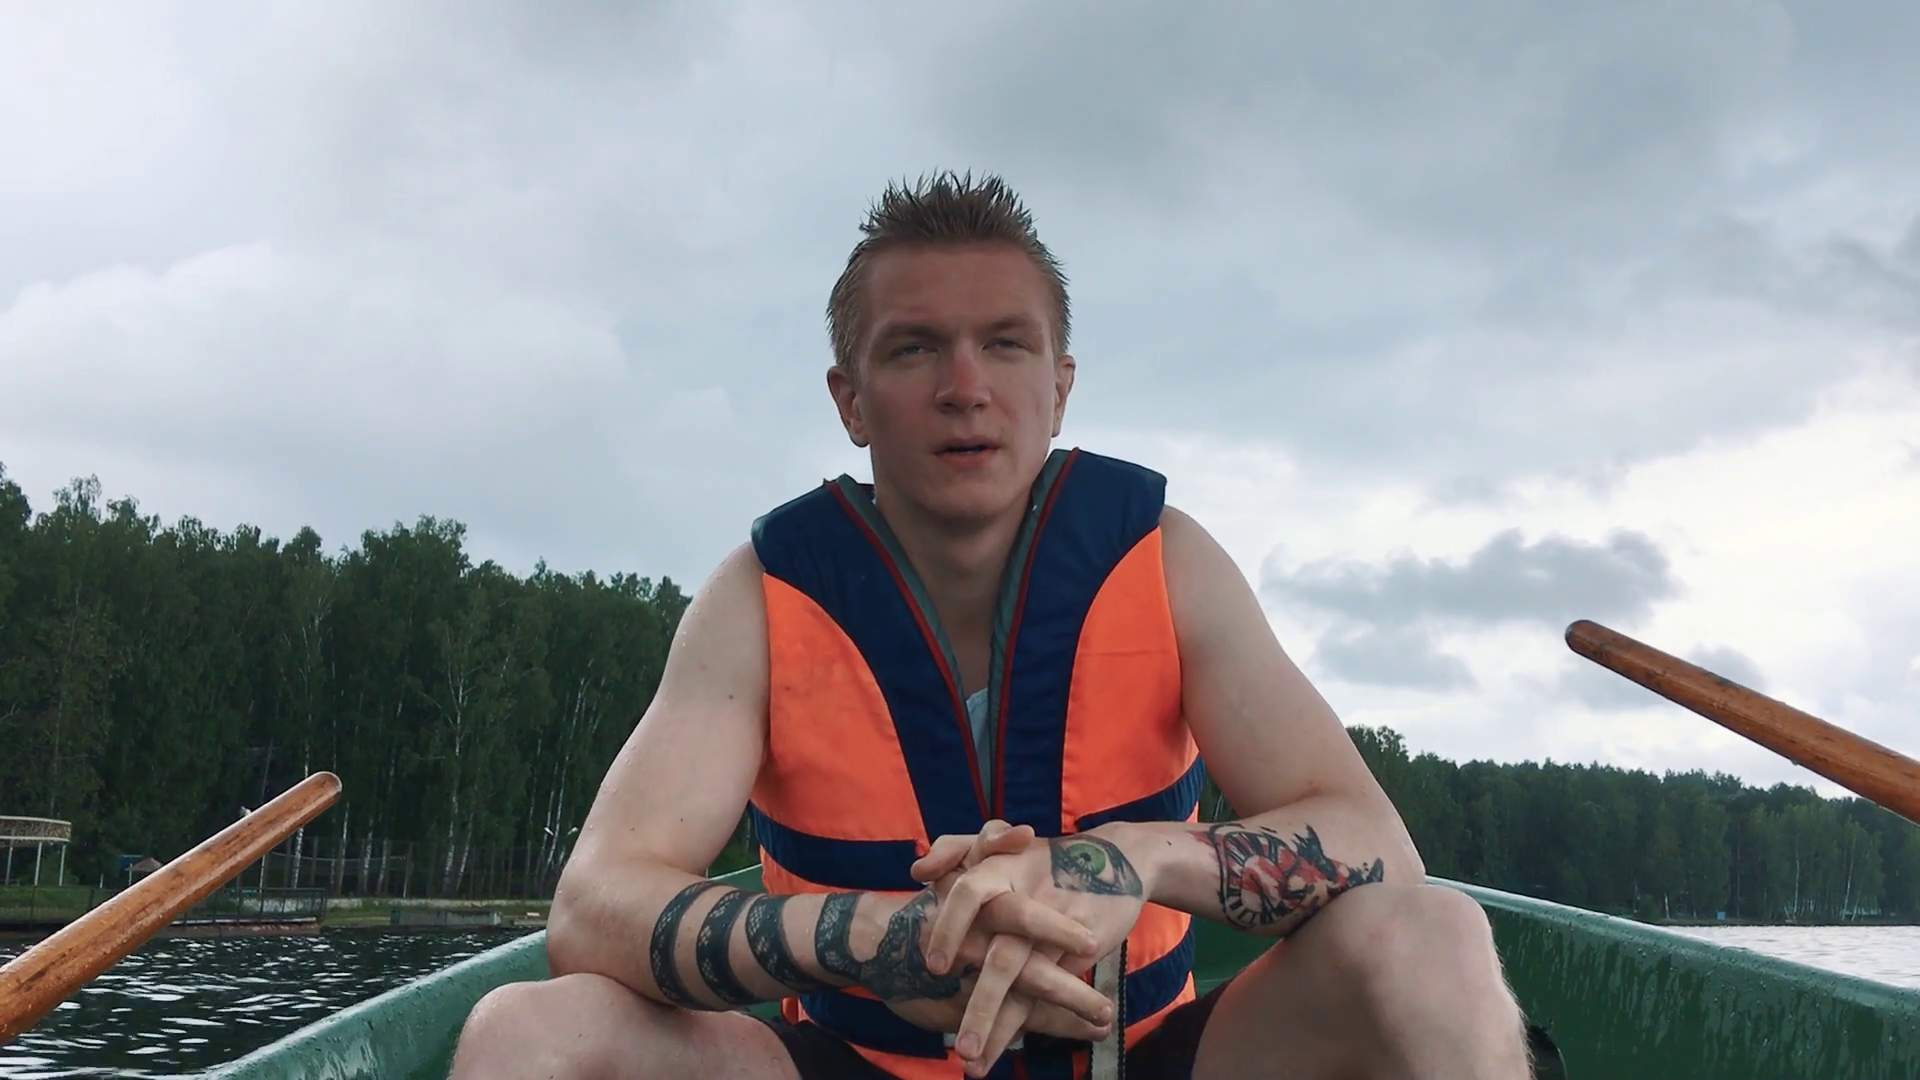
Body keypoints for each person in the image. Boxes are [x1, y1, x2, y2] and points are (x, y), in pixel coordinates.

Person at [448, 172, 1533, 1080]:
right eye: (915, 349)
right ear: (851, 399)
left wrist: (1117, 865)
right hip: (856, 1064)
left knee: (1430, 937)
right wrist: (875, 940)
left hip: (1139, 1057)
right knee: (529, 1033)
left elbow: (1379, 848)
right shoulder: (761, 599)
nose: (966, 387)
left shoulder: (1167, 562)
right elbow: (592, 909)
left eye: (1006, 346)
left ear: (1059, 388)